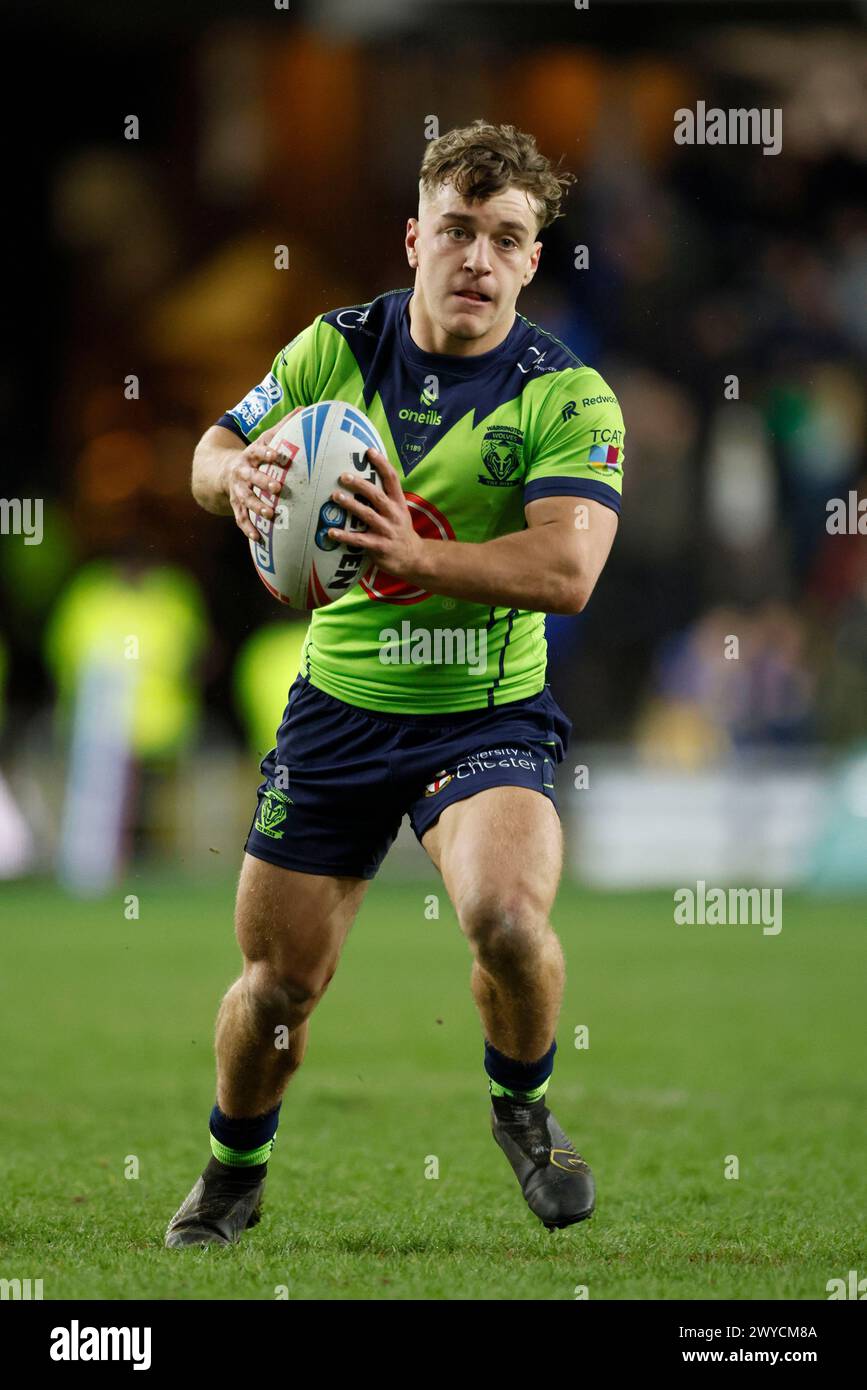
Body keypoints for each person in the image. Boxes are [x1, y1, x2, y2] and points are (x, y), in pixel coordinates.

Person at [166, 120, 624, 1247]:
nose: (477, 257)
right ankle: (233, 1171)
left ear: (529, 262)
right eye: (458, 230)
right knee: (278, 987)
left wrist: (413, 555)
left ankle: (522, 1107)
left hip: (486, 710)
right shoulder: (337, 348)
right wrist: (247, 477)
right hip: (341, 710)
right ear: (415, 236)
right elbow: (207, 455)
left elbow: (567, 571)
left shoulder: (569, 397)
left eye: (505, 238)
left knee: (508, 920)